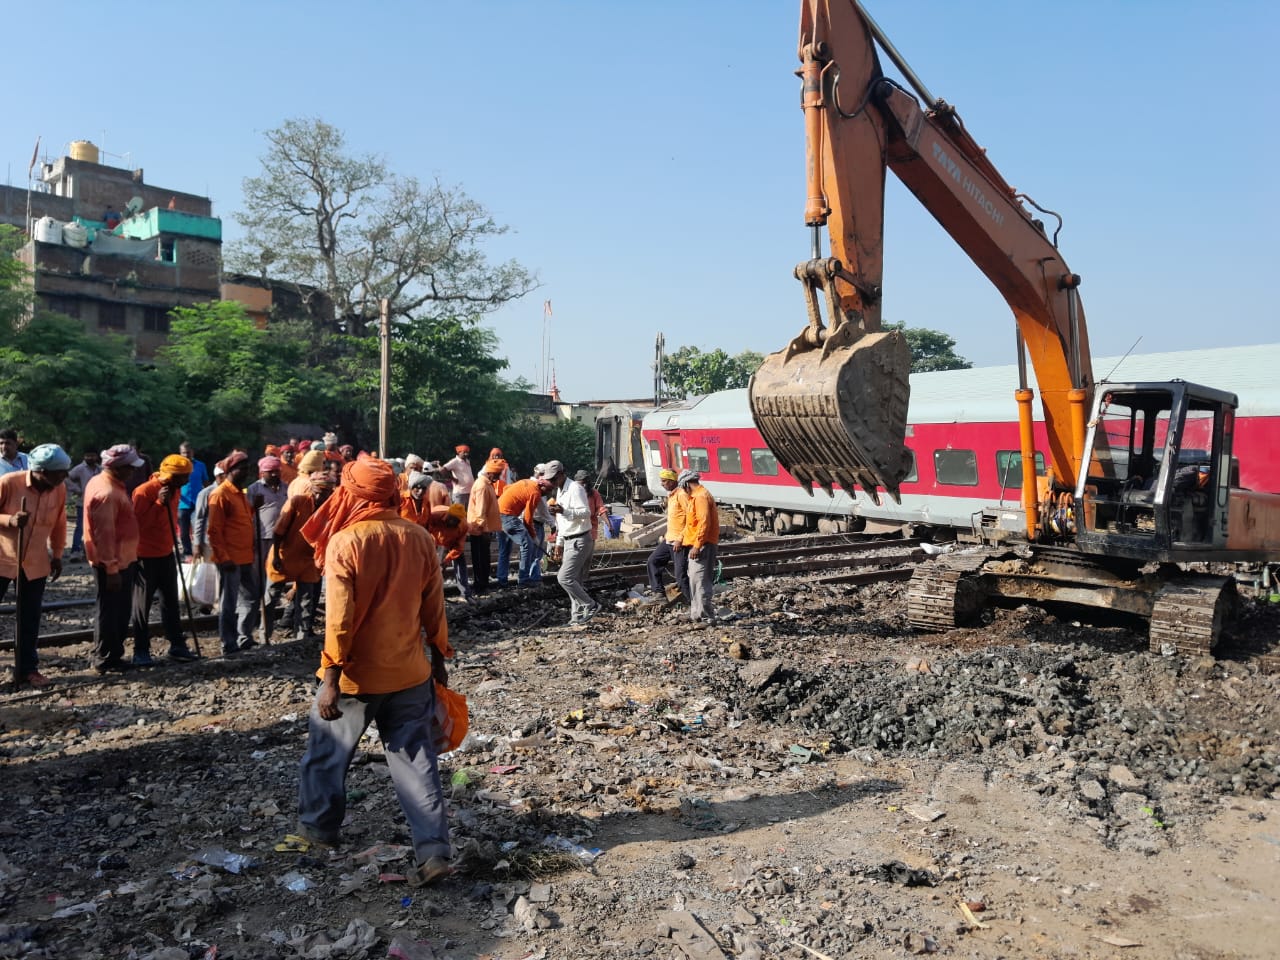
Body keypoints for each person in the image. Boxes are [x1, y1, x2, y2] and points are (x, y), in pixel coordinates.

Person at [295, 458, 455, 888]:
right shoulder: (419, 537)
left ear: (350, 493)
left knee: (326, 756)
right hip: (409, 672)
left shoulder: (345, 542)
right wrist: (438, 658)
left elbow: (340, 621)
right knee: (417, 764)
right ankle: (434, 851)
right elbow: (433, 604)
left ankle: (319, 831)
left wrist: (329, 678)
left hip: (356, 679)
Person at [0, 444, 70, 686]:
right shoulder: (9, 483)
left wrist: (58, 554)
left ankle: (27, 669)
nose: (64, 477)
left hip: (35, 562)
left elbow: (60, 523)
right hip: (3, 559)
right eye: (59, 472)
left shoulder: (58, 489)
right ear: (40, 471)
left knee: (30, 618)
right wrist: (9, 520)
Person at [130, 454, 200, 665]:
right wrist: (160, 503)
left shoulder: (176, 489)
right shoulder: (144, 491)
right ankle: (140, 650)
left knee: (171, 603)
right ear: (171, 476)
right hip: (144, 556)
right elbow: (137, 525)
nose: (186, 481)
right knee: (141, 606)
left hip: (166, 553)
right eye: (183, 478)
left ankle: (177, 645)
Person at [84, 444, 144, 673]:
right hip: (113, 563)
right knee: (111, 612)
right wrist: (111, 569)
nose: (133, 472)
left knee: (117, 610)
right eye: (130, 468)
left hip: (121, 560)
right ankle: (105, 658)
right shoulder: (106, 493)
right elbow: (105, 535)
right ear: (118, 468)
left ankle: (112, 654)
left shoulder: (106, 483)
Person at [269, 462, 333, 641]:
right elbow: (278, 531)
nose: (321, 496)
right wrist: (275, 555)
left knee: (306, 600)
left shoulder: (330, 508)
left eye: (325, 493)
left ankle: (301, 637)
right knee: (271, 597)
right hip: (285, 555)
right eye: (318, 492)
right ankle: (263, 634)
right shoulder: (297, 502)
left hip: (309, 559)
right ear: (312, 489)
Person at [208, 451, 259, 655]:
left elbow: (241, 520)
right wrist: (223, 557)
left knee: (252, 597)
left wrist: (255, 508)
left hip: (246, 556)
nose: (246, 472)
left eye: (247, 468)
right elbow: (214, 530)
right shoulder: (220, 494)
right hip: (230, 558)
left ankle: (244, 636)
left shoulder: (240, 494)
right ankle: (228, 642)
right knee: (228, 603)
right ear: (230, 470)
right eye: (242, 468)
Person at [248, 456, 289, 639]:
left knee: (273, 585)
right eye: (270, 471)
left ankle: (267, 628)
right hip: (261, 540)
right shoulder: (254, 489)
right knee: (258, 584)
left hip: (281, 541)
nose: (274, 474)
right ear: (262, 472)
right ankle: (257, 626)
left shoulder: (286, 489)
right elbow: (246, 515)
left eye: (277, 470)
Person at [552, 468, 600, 624]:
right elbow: (561, 521)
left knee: (564, 578)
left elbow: (586, 512)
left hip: (580, 539)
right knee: (575, 581)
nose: (551, 483)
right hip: (568, 539)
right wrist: (559, 542)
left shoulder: (575, 488)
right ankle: (576, 617)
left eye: (553, 479)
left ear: (560, 474)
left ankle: (590, 605)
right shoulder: (560, 491)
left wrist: (564, 511)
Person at [497, 464, 556, 587]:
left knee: (504, 550)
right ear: (542, 486)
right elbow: (527, 518)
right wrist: (534, 537)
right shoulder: (535, 493)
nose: (549, 494)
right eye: (549, 490)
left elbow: (507, 488)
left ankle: (502, 581)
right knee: (527, 544)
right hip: (508, 516)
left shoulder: (527, 482)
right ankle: (523, 579)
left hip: (498, 513)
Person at [680, 469, 720, 623]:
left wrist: (697, 545)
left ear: (686, 484)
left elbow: (704, 523)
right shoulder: (696, 497)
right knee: (695, 581)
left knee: (701, 582)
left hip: (703, 545)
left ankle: (705, 617)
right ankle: (697, 614)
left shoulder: (701, 497)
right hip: (698, 544)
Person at [645, 468, 691, 601]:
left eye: (664, 481)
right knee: (653, 561)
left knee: (680, 575)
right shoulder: (671, 496)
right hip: (669, 539)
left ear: (672, 481)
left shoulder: (681, 495)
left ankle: (694, 604)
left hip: (679, 542)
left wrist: (680, 539)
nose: (661, 483)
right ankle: (659, 593)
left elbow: (691, 519)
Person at [467, 457, 503, 595]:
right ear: (489, 473)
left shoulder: (486, 483)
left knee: (483, 558)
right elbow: (480, 511)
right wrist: (483, 530)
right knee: (481, 559)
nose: (498, 477)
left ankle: (482, 585)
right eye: (497, 474)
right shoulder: (482, 485)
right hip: (479, 529)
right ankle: (481, 587)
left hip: (482, 528)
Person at [429, 503, 473, 603]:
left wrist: (446, 561)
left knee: (460, 562)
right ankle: (430, 594)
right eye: (451, 518)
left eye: (456, 520)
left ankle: (465, 594)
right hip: (433, 538)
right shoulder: (435, 515)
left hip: (451, 541)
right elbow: (425, 529)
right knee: (430, 567)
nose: (453, 521)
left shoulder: (463, 526)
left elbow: (458, 548)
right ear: (448, 515)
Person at [65, 449, 101, 560]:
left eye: (92, 455)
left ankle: (91, 551)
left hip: (98, 502)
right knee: (80, 527)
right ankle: (75, 551)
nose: (90, 458)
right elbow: (67, 478)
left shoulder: (100, 469)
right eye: (87, 455)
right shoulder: (80, 469)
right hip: (83, 502)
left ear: (96, 456)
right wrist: (77, 489)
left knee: (96, 528)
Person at [177, 442, 209, 557]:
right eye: (183, 453)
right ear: (180, 453)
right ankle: (187, 552)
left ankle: (201, 550)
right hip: (182, 503)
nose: (186, 455)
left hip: (198, 502)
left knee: (199, 528)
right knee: (184, 531)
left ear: (192, 452)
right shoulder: (177, 467)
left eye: (188, 452)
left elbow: (206, 482)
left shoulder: (200, 465)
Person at [191, 463, 224, 559]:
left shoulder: (229, 492)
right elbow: (199, 519)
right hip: (209, 542)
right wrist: (197, 543)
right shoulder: (206, 493)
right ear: (219, 476)